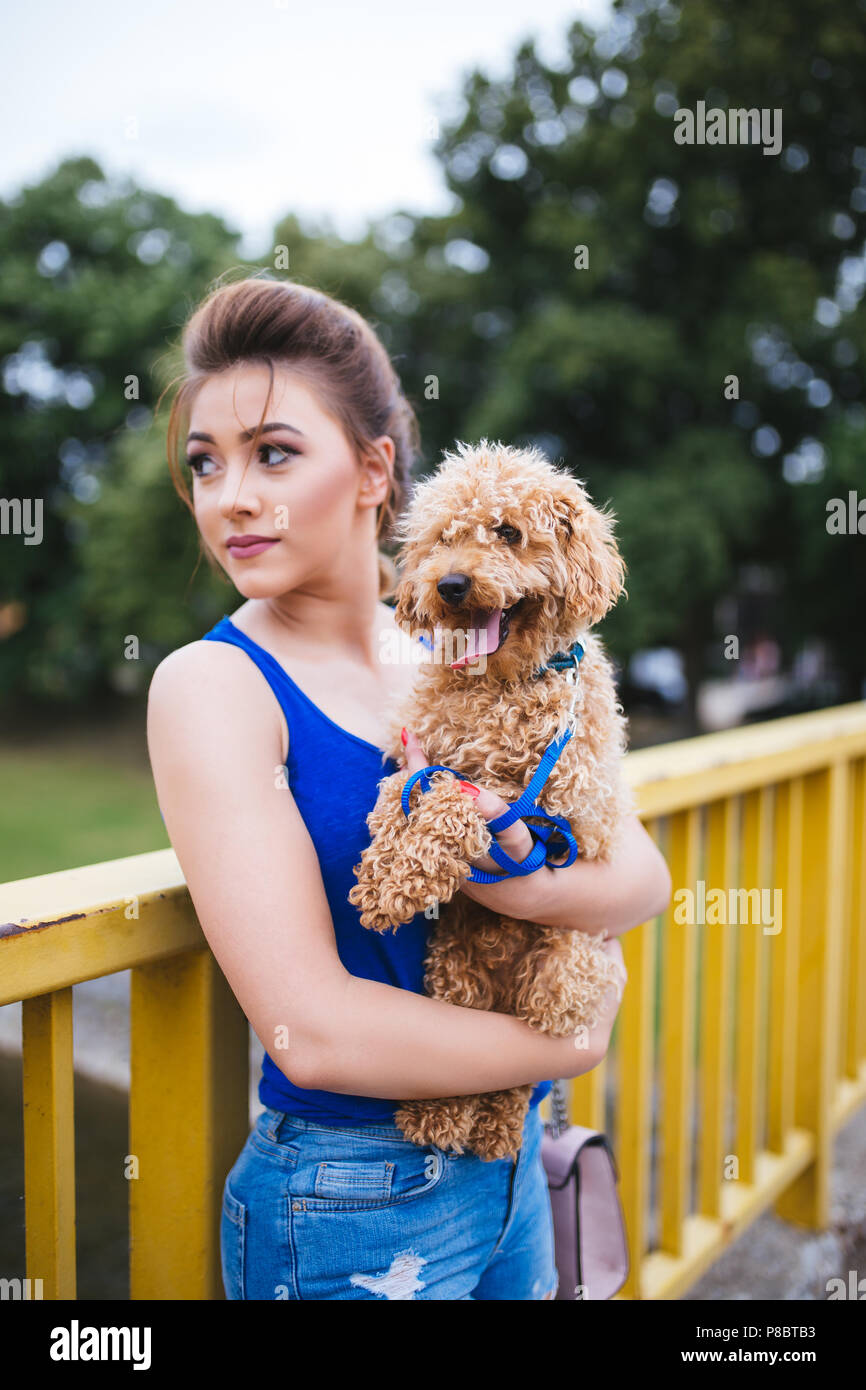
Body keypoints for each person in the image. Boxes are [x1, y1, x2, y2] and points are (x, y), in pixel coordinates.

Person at [146, 274, 671, 1301]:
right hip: (349, 1198)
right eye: (204, 464)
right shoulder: (210, 685)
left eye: (273, 452)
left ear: (374, 467)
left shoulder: (460, 651)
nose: (229, 496)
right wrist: (560, 1043)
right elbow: (314, 1029)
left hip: (512, 1161)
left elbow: (640, 869)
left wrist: (526, 892)